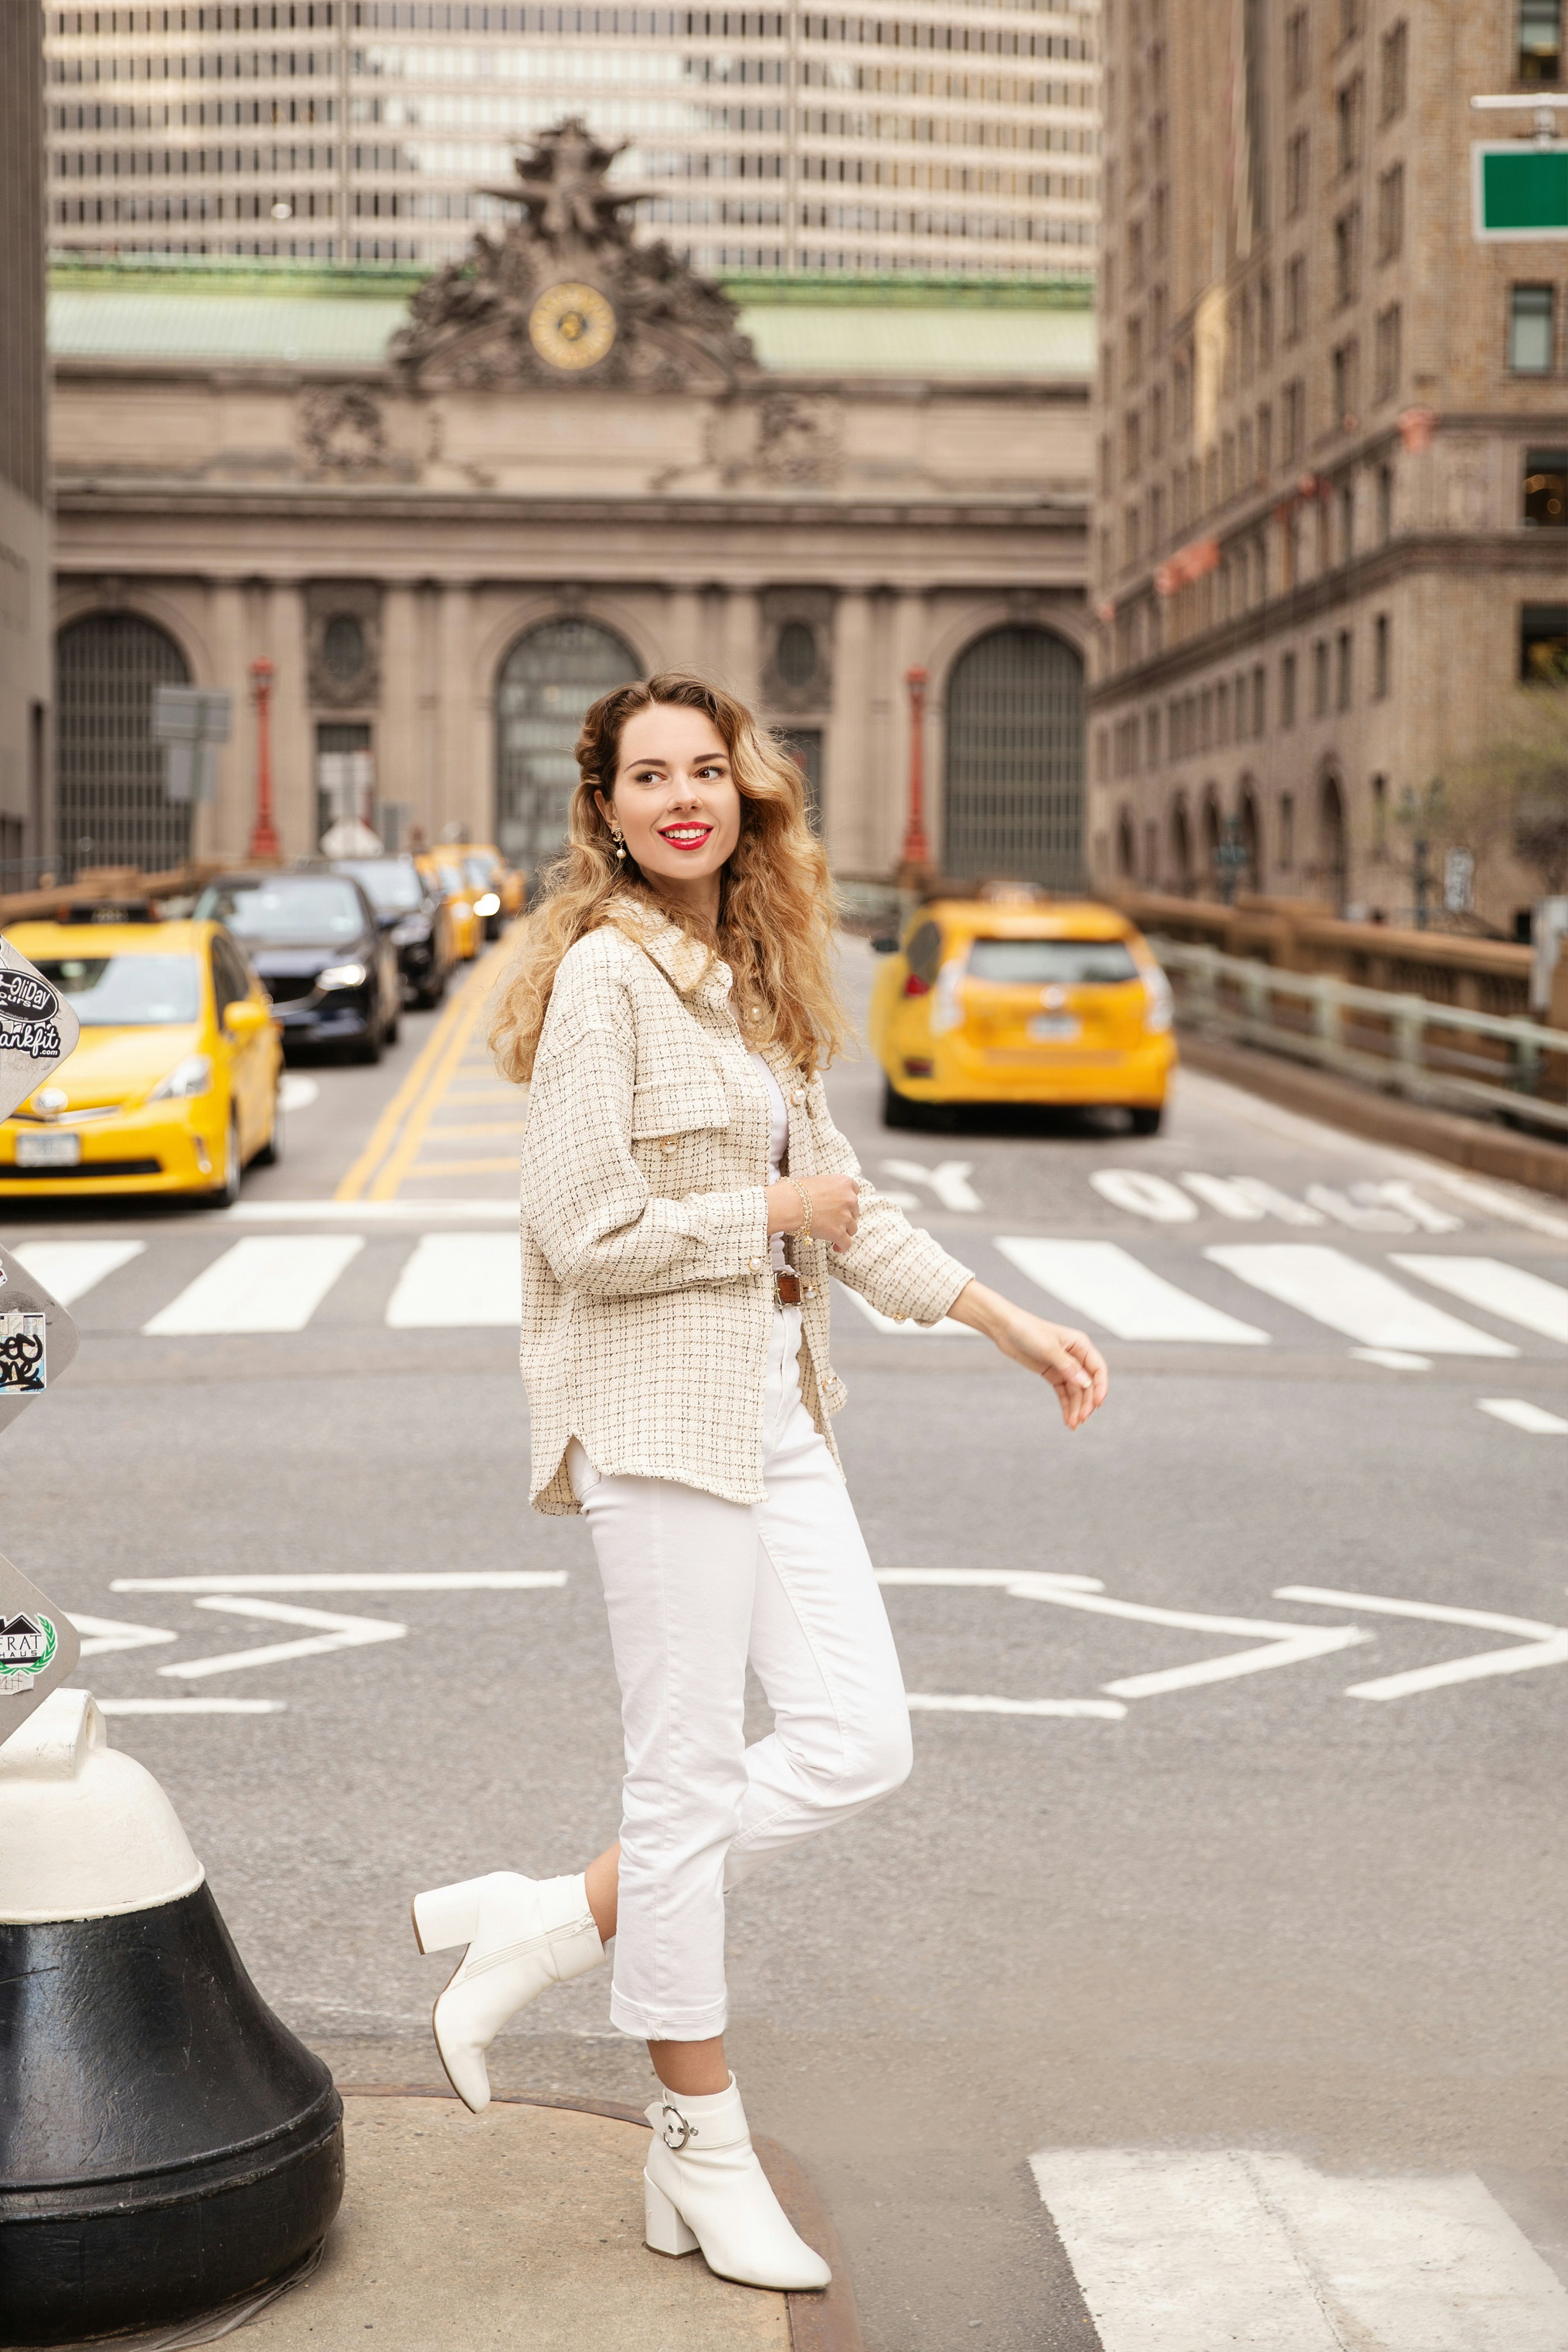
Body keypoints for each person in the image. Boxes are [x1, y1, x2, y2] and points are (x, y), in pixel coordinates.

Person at [410, 673, 1108, 2293]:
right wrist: (765, 1219)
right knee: (681, 1779)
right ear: (603, 809)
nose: (680, 798)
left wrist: (1005, 1319)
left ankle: (549, 1917)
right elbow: (582, 1232)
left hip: (777, 1407)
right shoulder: (604, 979)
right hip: (657, 1415)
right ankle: (696, 2143)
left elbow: (842, 1205)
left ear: (745, 793)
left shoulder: (746, 970)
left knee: (860, 1739)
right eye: (646, 775)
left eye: (704, 770)